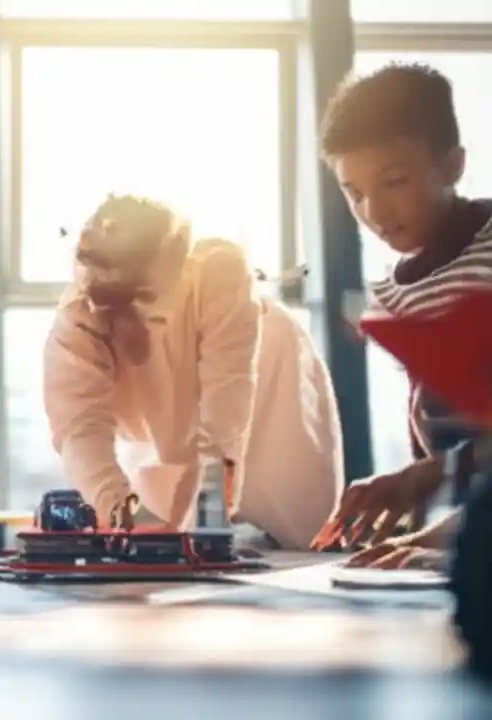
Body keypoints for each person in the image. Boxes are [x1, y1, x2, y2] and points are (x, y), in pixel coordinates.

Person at [43, 193, 344, 549]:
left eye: (144, 296)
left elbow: (224, 407)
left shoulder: (219, 270)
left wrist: (212, 506)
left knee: (283, 521)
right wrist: (121, 508)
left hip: (266, 376)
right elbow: (81, 431)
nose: (132, 315)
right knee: (156, 535)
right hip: (165, 421)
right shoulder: (75, 322)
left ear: (177, 262)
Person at [312, 63, 492, 561]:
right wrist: (419, 496)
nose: (374, 211)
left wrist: (428, 489)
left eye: (393, 181)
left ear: (452, 165)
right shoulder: (396, 293)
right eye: (354, 192)